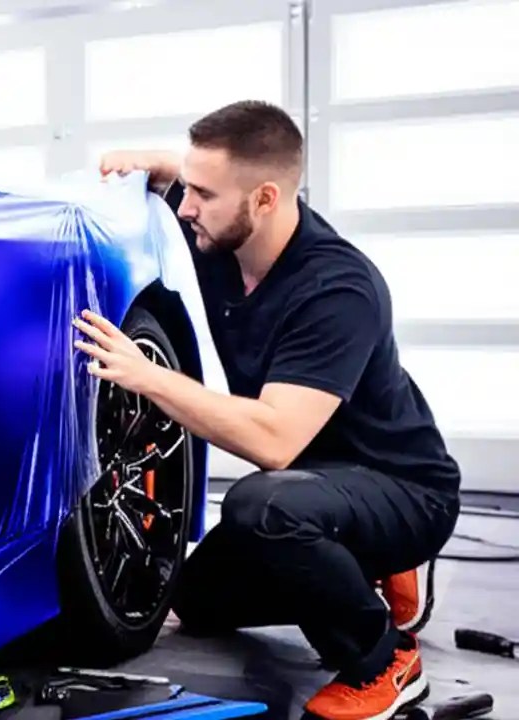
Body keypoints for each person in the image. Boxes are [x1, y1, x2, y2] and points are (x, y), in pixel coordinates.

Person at [73, 100, 461, 720]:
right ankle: (357, 566)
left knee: (262, 505)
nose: (185, 207)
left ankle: (383, 659)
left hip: (402, 487)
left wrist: (150, 378)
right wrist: (152, 164)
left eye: (202, 193)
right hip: (316, 482)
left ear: (265, 200)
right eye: (188, 187)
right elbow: (201, 177)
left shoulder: (338, 289)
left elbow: (275, 440)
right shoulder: (224, 235)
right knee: (198, 602)